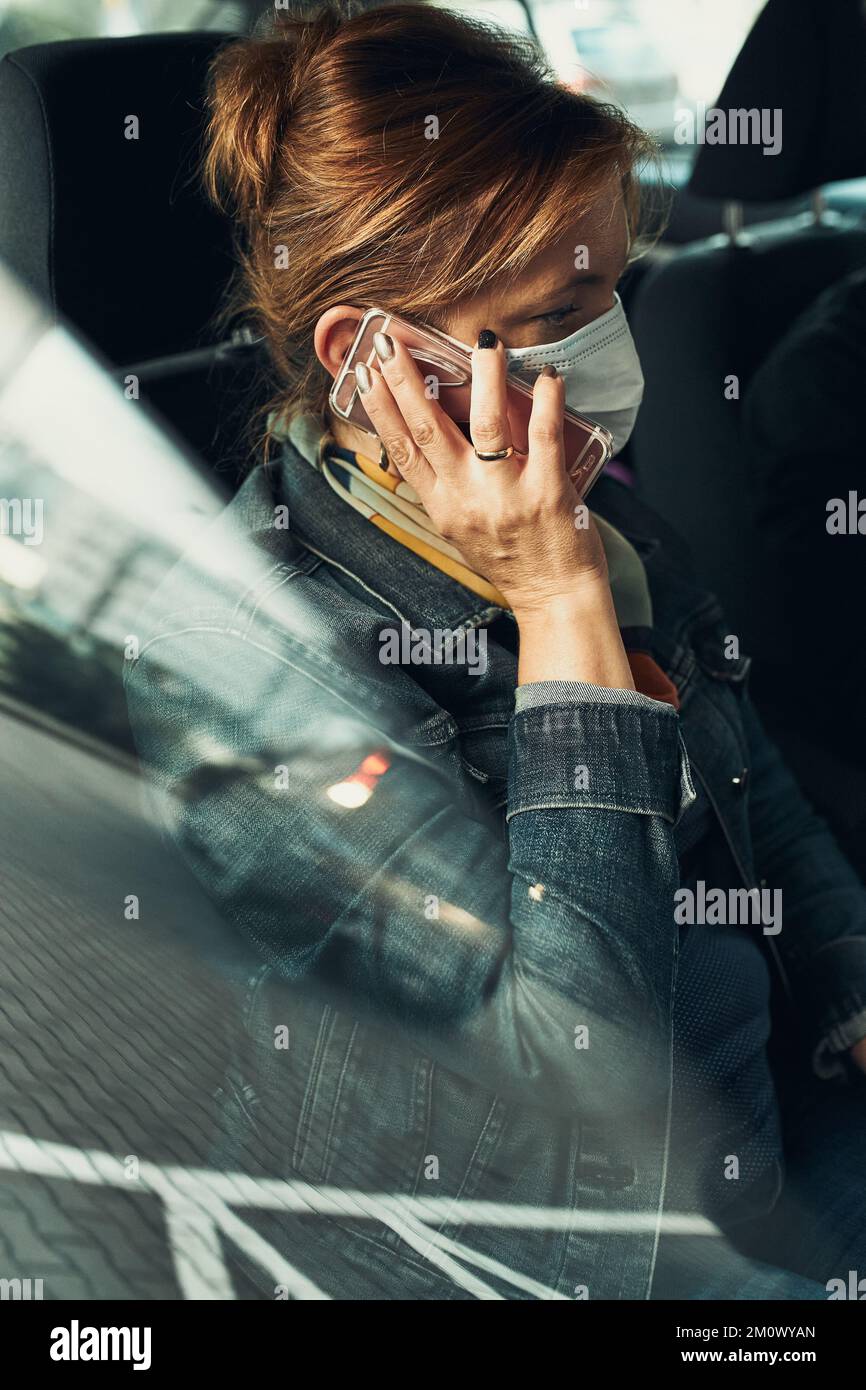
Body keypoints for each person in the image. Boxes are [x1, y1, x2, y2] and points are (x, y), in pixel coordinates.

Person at [124, 4, 866, 1300]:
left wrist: (848, 976)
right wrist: (560, 607)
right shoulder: (256, 661)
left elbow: (756, 790)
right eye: (556, 311)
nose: (606, 345)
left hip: (773, 1134)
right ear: (374, 361)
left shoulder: (600, 512)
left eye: (608, 292)